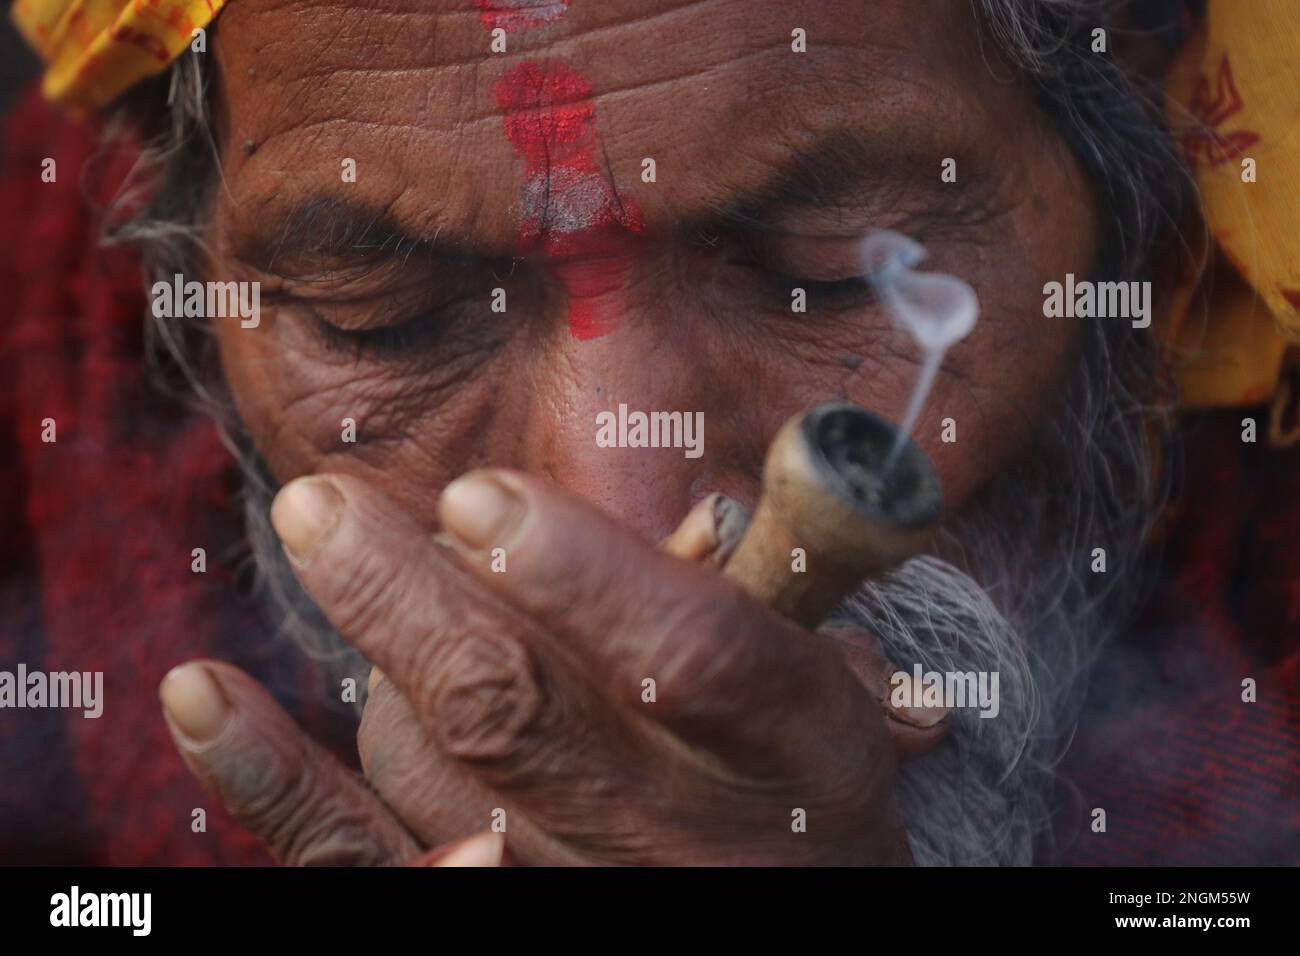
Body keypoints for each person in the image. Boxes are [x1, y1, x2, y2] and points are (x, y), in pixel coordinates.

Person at [2, 0, 1296, 865]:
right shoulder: (42, 362)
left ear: (1144, 143)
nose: (623, 523)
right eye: (383, 319)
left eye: (823, 276)